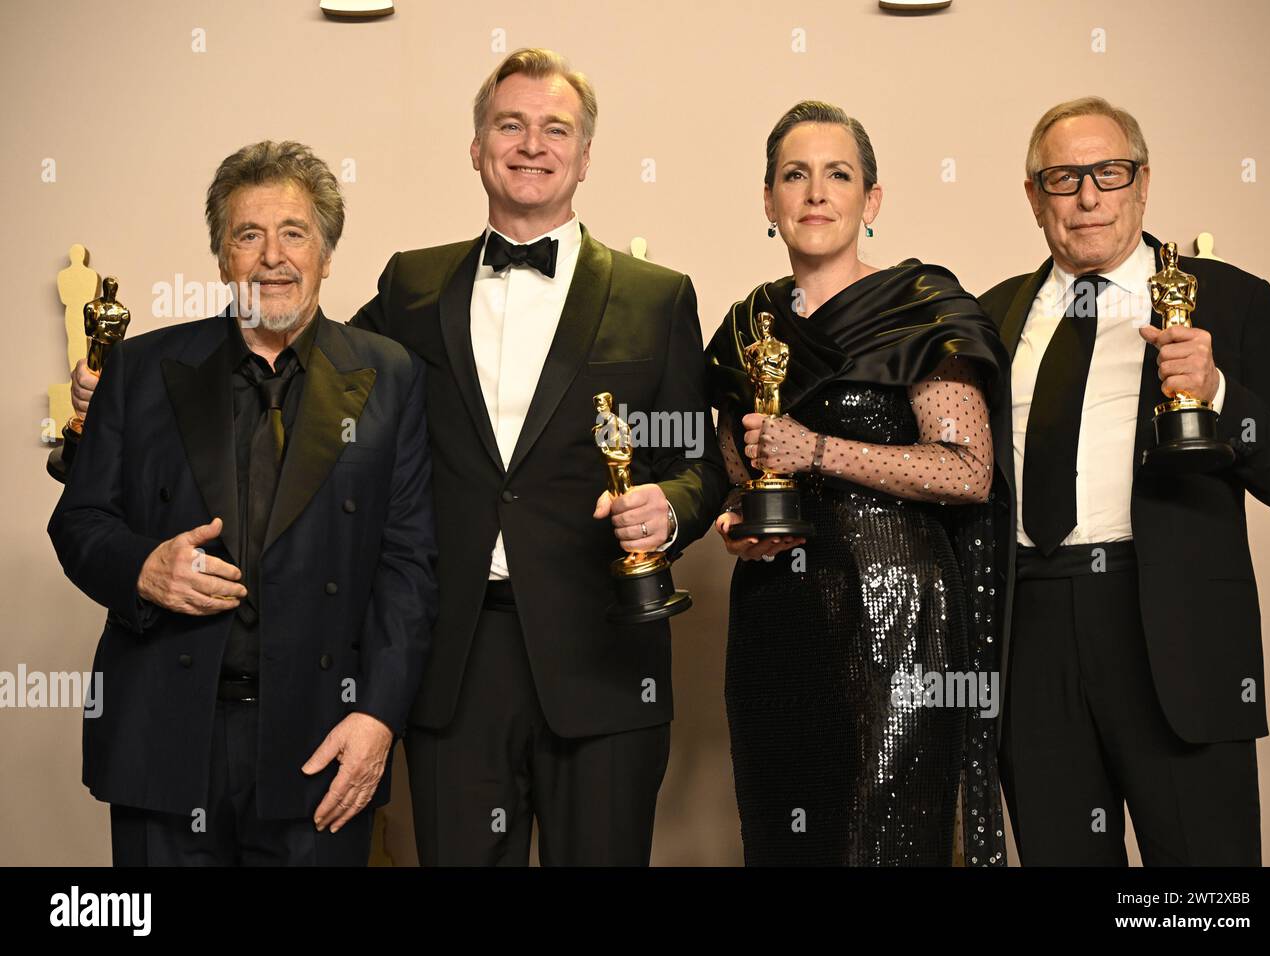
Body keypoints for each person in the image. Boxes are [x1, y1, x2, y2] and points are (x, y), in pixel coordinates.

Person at [347, 49, 727, 865]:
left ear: (585, 156)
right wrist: (120, 399)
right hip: (454, 659)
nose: (531, 144)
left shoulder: (657, 295)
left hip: (607, 654)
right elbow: (322, 394)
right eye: (509, 124)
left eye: (556, 129)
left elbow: (701, 460)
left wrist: (672, 507)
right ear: (477, 145)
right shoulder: (408, 286)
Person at [55, 140, 437, 865]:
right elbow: (78, 521)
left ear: (326, 254)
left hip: (322, 740)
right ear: (221, 255)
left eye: (294, 234)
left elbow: (409, 565)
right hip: (165, 739)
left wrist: (380, 716)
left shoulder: (391, 377)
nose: (272, 258)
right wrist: (142, 568)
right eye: (248, 235)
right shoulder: (141, 370)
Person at [979, 96, 1270, 865]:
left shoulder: (1231, 297)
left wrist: (1220, 393)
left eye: (1109, 172)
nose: (1088, 197)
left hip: (1174, 637)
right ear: (1034, 198)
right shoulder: (988, 319)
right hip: (1032, 633)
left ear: (1142, 184)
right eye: (1063, 178)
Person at [706, 101, 1011, 866]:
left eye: (838, 175)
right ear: (768, 199)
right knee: (782, 831)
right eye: (795, 175)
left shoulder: (920, 308)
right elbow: (740, 474)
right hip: (777, 619)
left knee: (885, 835)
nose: (816, 193)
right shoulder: (749, 326)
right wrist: (737, 520)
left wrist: (816, 449)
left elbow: (968, 470)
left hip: (896, 616)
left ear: (870, 200)